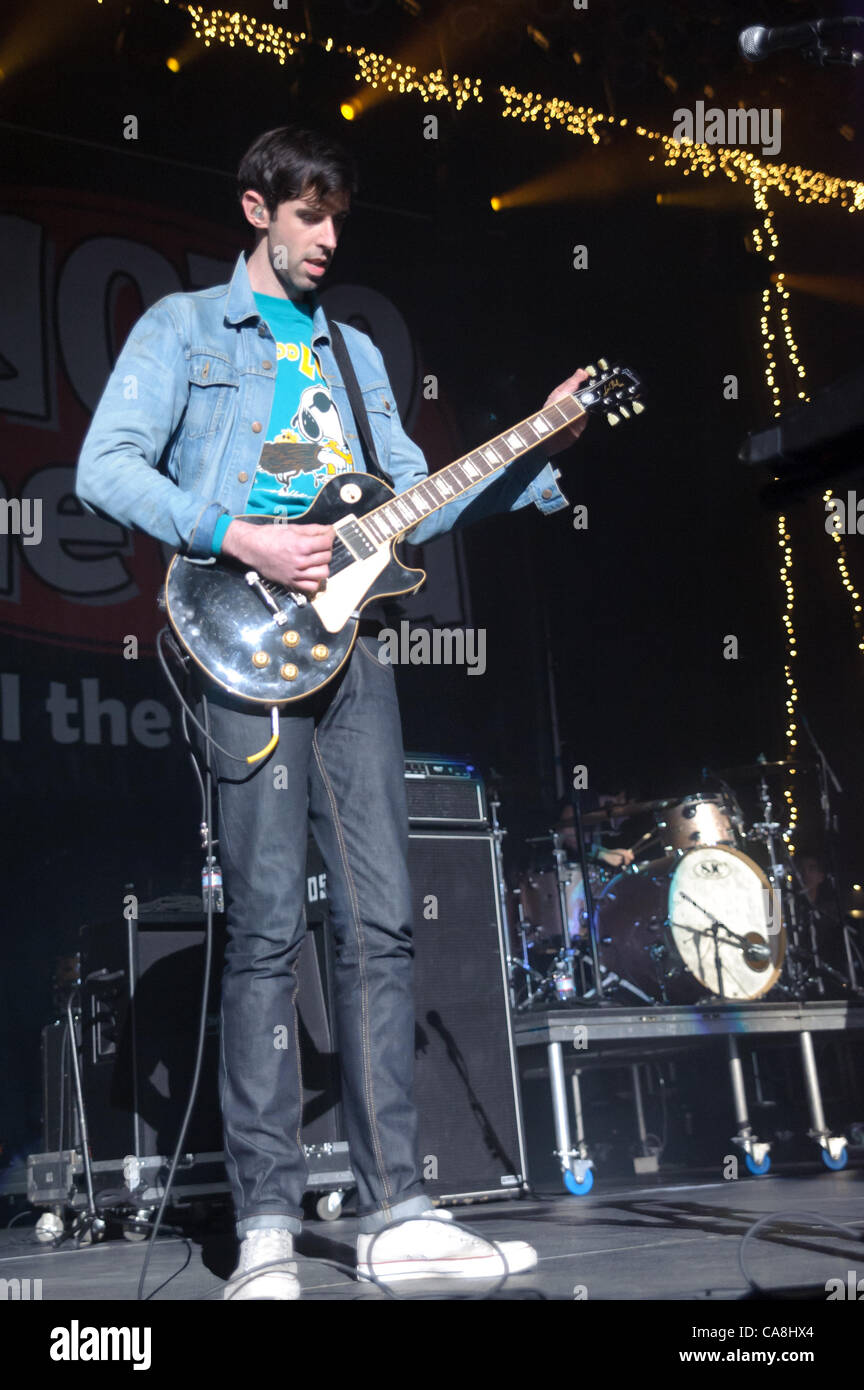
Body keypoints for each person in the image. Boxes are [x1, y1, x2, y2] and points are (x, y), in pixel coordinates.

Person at [76, 124, 589, 1299]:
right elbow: (108, 466)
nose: (328, 238)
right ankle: (263, 1222)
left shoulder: (354, 351)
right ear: (257, 209)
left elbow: (420, 504)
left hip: (354, 652)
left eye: (339, 219)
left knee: (380, 923)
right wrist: (236, 531)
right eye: (309, 216)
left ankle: (396, 1206)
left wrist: (535, 447)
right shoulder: (188, 331)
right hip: (241, 639)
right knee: (262, 929)